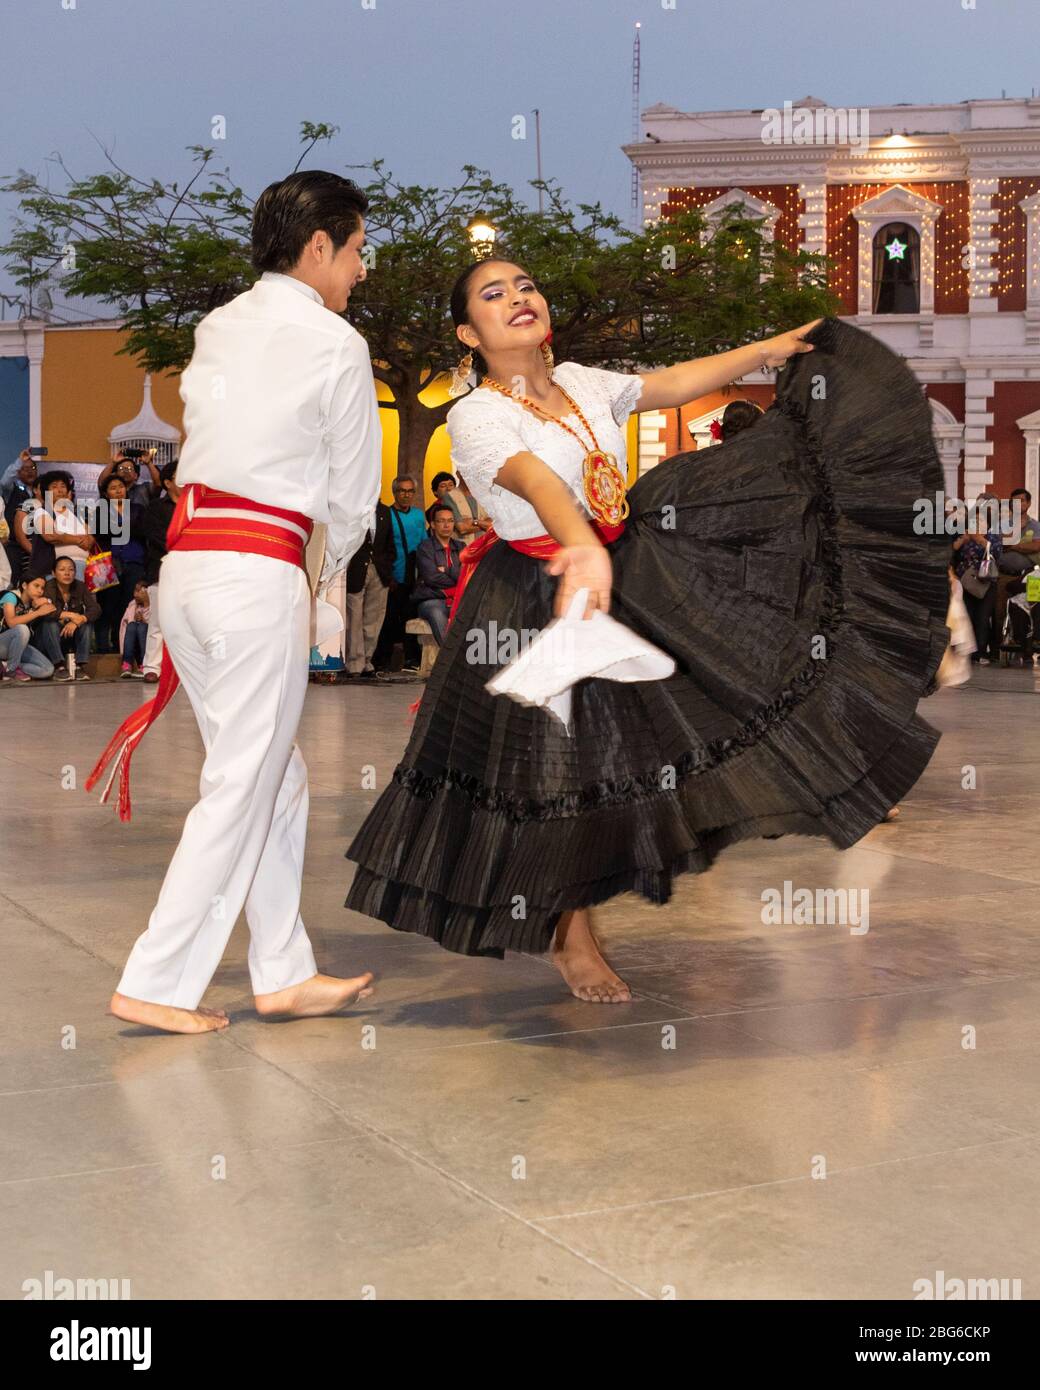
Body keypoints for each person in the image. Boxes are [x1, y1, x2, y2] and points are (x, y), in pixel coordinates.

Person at [343, 258, 950, 1003]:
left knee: (622, 754)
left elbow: (675, 381)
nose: (519, 298)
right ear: (470, 332)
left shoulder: (588, 383)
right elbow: (535, 481)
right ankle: (571, 936)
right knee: (553, 767)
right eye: (494, 296)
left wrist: (771, 348)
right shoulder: (477, 414)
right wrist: (580, 546)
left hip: (621, 569)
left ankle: (580, 913)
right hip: (536, 591)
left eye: (527, 285)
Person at [87, 169, 383, 1034]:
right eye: (358, 249)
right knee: (244, 781)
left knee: (273, 778)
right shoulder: (336, 344)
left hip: (189, 574)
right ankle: (156, 979)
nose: (362, 269)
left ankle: (282, 968)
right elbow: (352, 500)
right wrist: (321, 584)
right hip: (256, 576)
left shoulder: (217, 325)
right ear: (320, 245)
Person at [372, 475, 427, 672]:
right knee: (388, 619)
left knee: (411, 616)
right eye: (402, 491)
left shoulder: (419, 515)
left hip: (414, 574)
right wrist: (389, 575)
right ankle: (381, 660)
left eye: (410, 491)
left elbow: (424, 543)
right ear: (395, 492)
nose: (406, 495)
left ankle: (412, 660)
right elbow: (383, 547)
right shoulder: (387, 514)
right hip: (393, 574)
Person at [93, 474, 148, 654]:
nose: (118, 490)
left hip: (134, 561)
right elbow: (101, 534)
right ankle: (102, 645)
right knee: (108, 605)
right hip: (109, 564)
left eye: (121, 487)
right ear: (107, 494)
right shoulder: (100, 511)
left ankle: (124, 645)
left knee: (129, 604)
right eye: (113, 488)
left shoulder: (138, 509)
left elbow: (143, 531)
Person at [344, 496, 395, 680]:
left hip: (379, 570)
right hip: (357, 569)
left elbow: (390, 543)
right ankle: (353, 662)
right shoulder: (352, 507)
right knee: (354, 617)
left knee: (373, 619)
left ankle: (367, 660)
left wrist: (388, 567)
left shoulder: (384, 511)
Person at [141, 461, 180, 683]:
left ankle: (183, 668)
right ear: (167, 482)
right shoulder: (156, 508)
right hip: (162, 569)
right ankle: (152, 667)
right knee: (158, 622)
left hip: (191, 572)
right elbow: (157, 537)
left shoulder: (194, 506)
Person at [22, 470, 94, 581]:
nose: (60, 490)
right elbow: (51, 536)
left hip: (83, 568)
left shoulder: (76, 514)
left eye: (63, 486)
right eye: (54, 487)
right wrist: (77, 540)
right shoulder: (42, 512)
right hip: (55, 570)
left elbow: (90, 537)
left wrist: (88, 540)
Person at [36, 555, 99, 680]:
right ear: (54, 573)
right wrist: (70, 615)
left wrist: (78, 621)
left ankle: (79, 667)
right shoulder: (49, 586)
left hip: (70, 635)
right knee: (50, 623)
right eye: (62, 569)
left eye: (71, 570)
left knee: (86, 623)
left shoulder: (80, 586)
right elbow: (46, 611)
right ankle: (59, 666)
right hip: (48, 638)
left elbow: (95, 609)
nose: (67, 573)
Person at [412, 503, 465, 645]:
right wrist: (456, 578)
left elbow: (466, 575)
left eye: (450, 521)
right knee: (436, 612)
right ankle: (449, 658)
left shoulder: (461, 547)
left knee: (479, 610)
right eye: (441, 521)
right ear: (433, 525)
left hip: (458, 599)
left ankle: (476, 657)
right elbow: (431, 578)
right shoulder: (425, 547)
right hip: (432, 599)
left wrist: (446, 570)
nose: (446, 525)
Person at [0, 575, 56, 681]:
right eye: (36, 586)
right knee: (22, 629)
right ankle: (10, 671)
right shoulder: (11, 596)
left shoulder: (32, 604)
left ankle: (5, 666)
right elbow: (11, 622)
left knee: (47, 669)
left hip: (17, 646)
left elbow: (53, 608)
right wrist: (38, 612)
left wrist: (47, 602)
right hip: (2, 642)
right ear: (25, 585)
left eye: (42, 588)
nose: (40, 590)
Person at [998, 487, 1040, 576]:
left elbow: (1036, 547)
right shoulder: (1004, 523)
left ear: (1029, 503)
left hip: (1026, 575)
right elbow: (1002, 543)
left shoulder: (1035, 525)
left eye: (1021, 500)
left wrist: (1012, 546)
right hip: (1001, 574)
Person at [119, 579, 151, 677]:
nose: (135, 594)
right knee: (132, 625)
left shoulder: (153, 604)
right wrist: (122, 651)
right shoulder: (132, 605)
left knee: (142, 628)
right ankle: (127, 664)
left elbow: (155, 626)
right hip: (134, 647)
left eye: (139, 591)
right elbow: (124, 628)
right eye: (135, 591)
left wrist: (146, 605)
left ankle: (145, 664)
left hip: (148, 647)